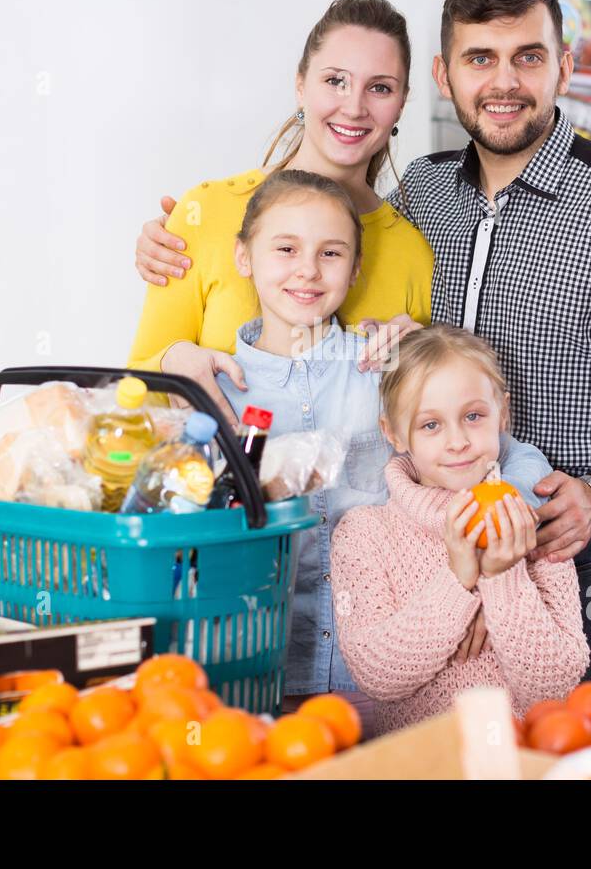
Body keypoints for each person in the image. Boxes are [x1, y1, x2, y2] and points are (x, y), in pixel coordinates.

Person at [132, 0, 591, 695]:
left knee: (571, 751)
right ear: (448, 77)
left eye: (529, 57)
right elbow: (301, 243)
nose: (504, 82)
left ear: (565, 68)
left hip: (570, 548)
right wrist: (171, 278)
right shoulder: (423, 194)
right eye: (480, 58)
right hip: (418, 563)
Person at [213, 169, 555, 733]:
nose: (307, 270)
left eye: (331, 252)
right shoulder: (217, 391)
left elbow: (508, 456)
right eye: (286, 249)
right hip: (262, 668)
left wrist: (492, 538)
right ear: (244, 257)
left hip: (395, 663)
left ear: (355, 268)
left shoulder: (387, 368)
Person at [127, 0, 433, 426]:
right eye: (335, 80)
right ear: (300, 84)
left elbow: (423, 428)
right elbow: (130, 391)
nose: (354, 106)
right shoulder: (206, 211)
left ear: (401, 103)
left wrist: (426, 364)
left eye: (379, 87)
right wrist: (170, 362)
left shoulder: (411, 252)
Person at [331, 325, 588, 734]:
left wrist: (503, 574)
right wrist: (459, 579)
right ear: (393, 433)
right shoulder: (364, 534)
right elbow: (377, 674)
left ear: (503, 413)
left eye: (473, 416)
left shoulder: (533, 524)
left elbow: (553, 690)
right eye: (430, 425)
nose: (457, 442)